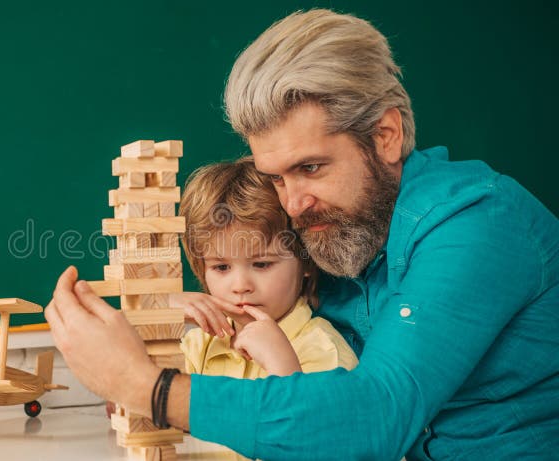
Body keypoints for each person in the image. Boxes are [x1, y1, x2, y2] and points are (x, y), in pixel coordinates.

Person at [45, 8, 559, 460]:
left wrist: (146, 386)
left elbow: (376, 414)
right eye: (276, 177)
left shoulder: (476, 224)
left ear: (386, 136)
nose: (292, 204)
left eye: (311, 167)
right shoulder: (337, 228)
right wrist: (188, 314)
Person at [173, 157, 358, 378]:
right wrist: (155, 312)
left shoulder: (325, 351)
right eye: (221, 267)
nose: (241, 286)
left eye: (261, 264)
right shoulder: (198, 342)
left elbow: (308, 412)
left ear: (306, 260)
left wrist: (281, 364)